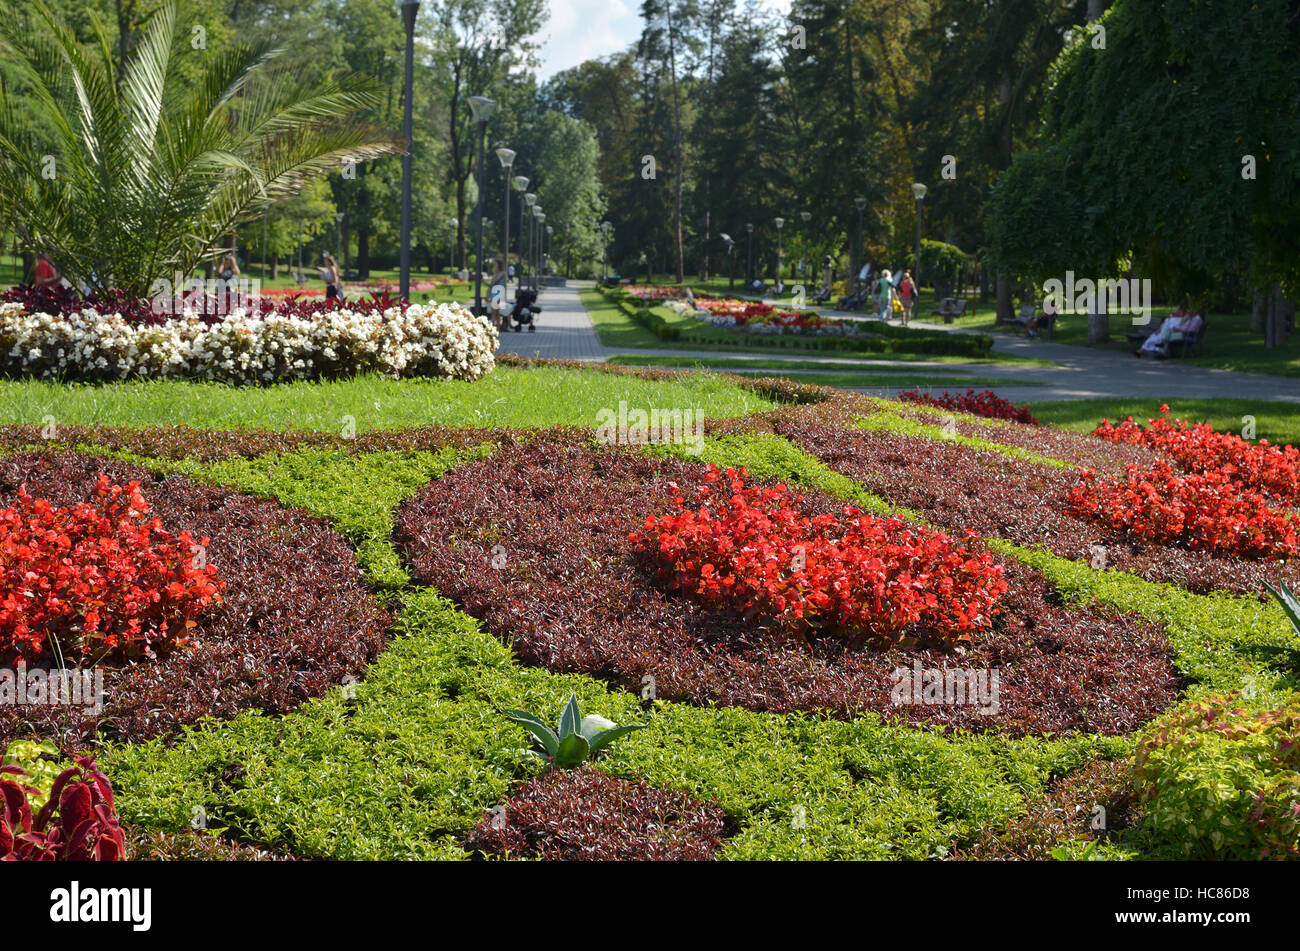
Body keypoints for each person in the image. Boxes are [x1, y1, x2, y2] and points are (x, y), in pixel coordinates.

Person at [489, 255, 508, 328]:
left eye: (495, 265)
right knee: (494, 313)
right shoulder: (495, 274)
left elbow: (494, 281)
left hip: (499, 293)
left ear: (499, 265)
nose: (494, 266)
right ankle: (495, 328)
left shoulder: (502, 273)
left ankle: (495, 328)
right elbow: (491, 284)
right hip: (495, 293)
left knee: (497, 313)